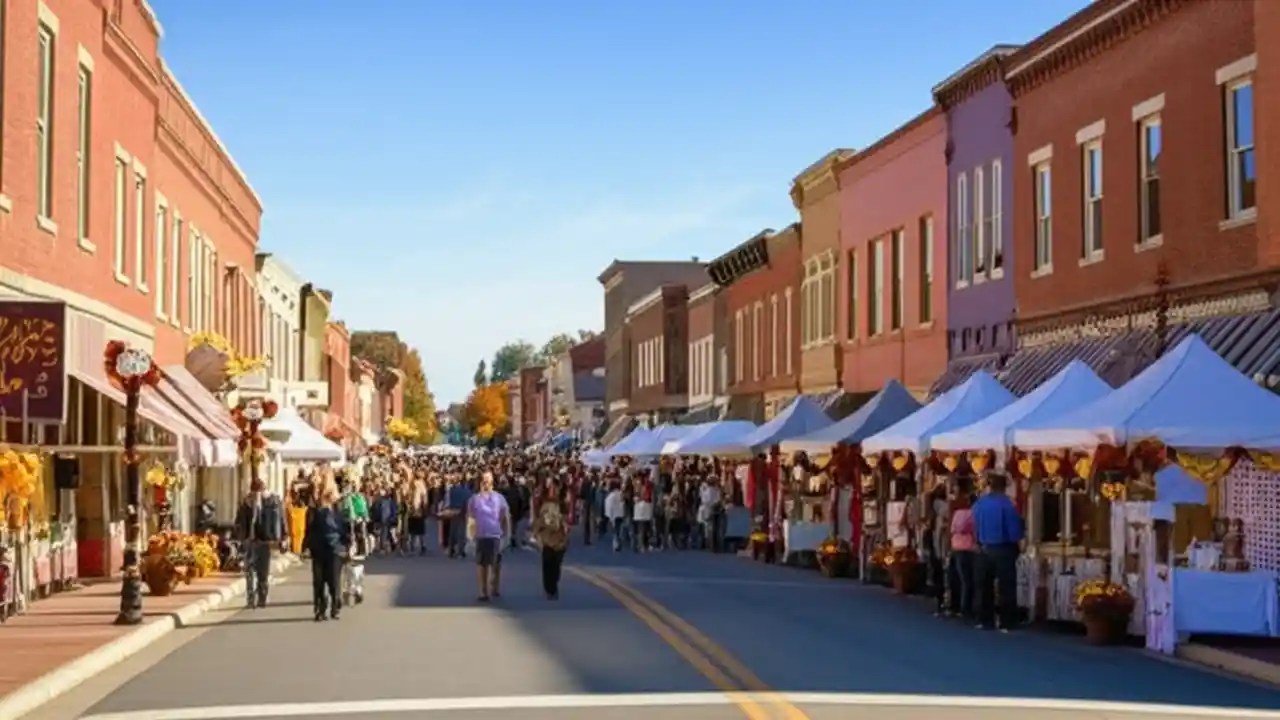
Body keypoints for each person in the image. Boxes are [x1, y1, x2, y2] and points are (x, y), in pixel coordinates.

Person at [971, 474, 1024, 632]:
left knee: (983, 585)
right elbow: (1014, 530)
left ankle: (983, 619)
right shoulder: (1007, 504)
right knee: (1006, 586)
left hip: (983, 547)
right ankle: (1007, 621)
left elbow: (974, 525)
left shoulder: (979, 504)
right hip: (1003, 547)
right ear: (1004, 487)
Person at [233, 478, 287, 610]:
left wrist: (284, 537)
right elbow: (239, 522)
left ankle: (262, 597)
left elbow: (281, 519)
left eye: (260, 490)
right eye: (255, 491)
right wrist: (239, 538)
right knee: (250, 571)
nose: (257, 494)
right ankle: (251, 598)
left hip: (264, 541)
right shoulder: (246, 503)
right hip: (250, 541)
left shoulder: (272, 501)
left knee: (263, 571)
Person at [306, 477, 351, 621]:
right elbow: (309, 530)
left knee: (333, 581)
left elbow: (346, 531)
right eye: (326, 494)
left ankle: (335, 607)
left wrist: (348, 547)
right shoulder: (314, 511)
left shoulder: (338, 512)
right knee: (318, 582)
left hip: (335, 550)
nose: (328, 497)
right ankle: (320, 610)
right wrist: (306, 547)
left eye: (330, 494)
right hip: (318, 550)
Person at [467, 471, 511, 602]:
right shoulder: (474, 499)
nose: (485, 481)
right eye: (483, 479)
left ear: (492, 481)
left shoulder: (499, 498)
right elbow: (471, 517)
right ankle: (482, 591)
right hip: (481, 535)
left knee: (495, 563)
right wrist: (470, 535)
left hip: (495, 534)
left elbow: (505, 516)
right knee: (482, 564)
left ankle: (495, 587)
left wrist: (506, 534)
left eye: (488, 479)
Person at [532, 488, 570, 600]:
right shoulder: (544, 508)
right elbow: (538, 523)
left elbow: (565, 523)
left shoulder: (562, 507)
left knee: (555, 566)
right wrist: (538, 533)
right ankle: (550, 589)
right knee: (548, 566)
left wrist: (565, 535)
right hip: (547, 541)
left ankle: (552, 586)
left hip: (558, 541)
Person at [948, 489, 977, 620]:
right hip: (968, 548)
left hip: (956, 547)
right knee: (968, 580)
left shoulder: (956, 514)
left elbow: (953, 529)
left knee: (957, 579)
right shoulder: (972, 514)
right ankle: (966, 608)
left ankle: (956, 606)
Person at [604, 482, 627, 551]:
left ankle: (616, 545)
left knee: (615, 531)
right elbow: (623, 503)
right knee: (619, 529)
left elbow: (609, 506)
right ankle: (619, 543)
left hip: (614, 515)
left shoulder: (611, 496)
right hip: (620, 514)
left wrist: (610, 516)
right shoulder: (620, 494)